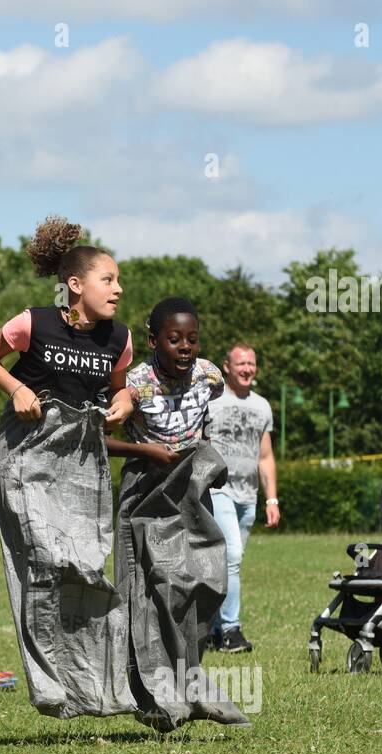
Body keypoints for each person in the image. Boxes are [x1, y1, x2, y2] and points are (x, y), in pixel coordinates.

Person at [0, 216, 136, 719]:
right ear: (75, 285)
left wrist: (125, 399)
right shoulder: (34, 322)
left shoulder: (119, 338)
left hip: (81, 464)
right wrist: (17, 388)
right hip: (25, 455)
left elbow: (119, 384)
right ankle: (46, 683)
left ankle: (90, 686)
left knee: (83, 567)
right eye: (108, 280)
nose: (118, 289)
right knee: (43, 556)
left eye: (117, 280)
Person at [108, 297, 249, 731]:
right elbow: (99, 438)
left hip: (190, 489)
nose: (185, 347)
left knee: (205, 580)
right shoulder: (134, 385)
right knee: (150, 592)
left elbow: (204, 418)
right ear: (154, 341)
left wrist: (206, 459)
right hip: (145, 491)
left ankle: (189, 678)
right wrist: (144, 449)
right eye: (174, 339)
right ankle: (154, 696)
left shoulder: (209, 375)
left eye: (192, 339)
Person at [204, 344, 279, 654]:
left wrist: (271, 499)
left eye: (252, 363)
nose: (247, 369)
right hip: (217, 490)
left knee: (225, 564)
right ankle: (232, 630)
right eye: (241, 364)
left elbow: (265, 456)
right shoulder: (212, 401)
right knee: (231, 557)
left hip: (248, 496)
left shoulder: (262, 406)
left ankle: (209, 630)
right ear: (226, 367)